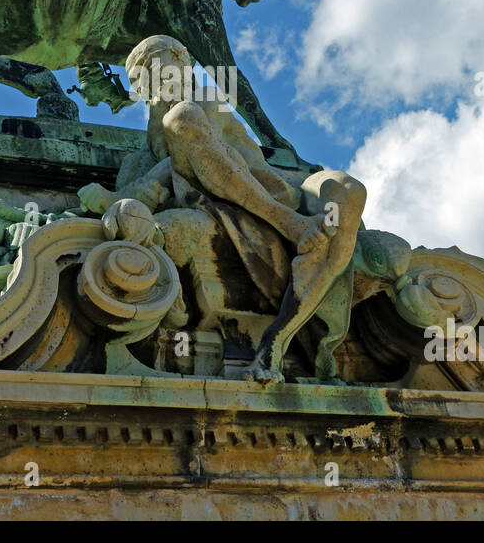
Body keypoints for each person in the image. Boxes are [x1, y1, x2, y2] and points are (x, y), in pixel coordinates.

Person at [80, 35, 366, 382]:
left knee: (348, 190)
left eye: (163, 67)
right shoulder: (143, 154)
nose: (159, 80)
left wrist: (123, 193)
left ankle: (290, 321)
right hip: (228, 208)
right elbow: (130, 209)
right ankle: (276, 337)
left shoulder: (204, 101)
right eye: (144, 79)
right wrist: (119, 198)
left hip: (279, 192)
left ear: (183, 62)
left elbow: (195, 144)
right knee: (181, 118)